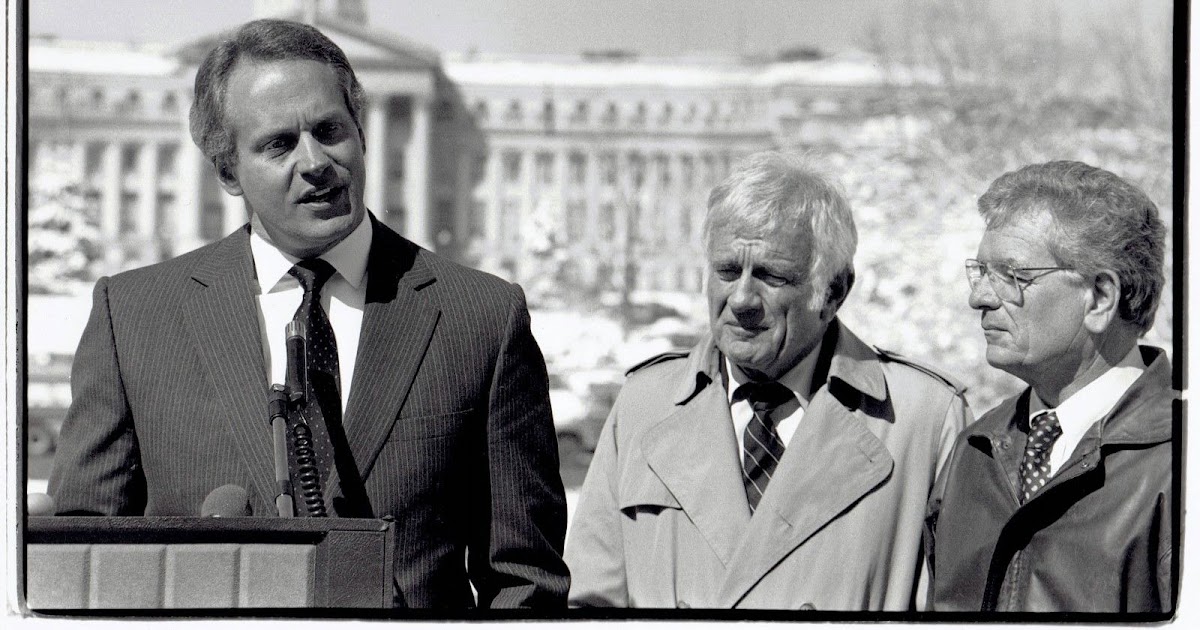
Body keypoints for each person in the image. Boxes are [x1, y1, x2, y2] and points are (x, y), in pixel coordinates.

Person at [47, 19, 568, 609]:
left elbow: (525, 580)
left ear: (362, 136)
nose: (316, 161)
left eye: (329, 130)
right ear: (227, 171)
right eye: (279, 144)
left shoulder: (481, 317)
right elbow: (82, 559)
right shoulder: (136, 315)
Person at [564, 151, 971, 610]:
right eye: (726, 271)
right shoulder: (645, 404)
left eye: (771, 276)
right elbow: (589, 609)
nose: (741, 299)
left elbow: (954, 618)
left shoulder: (922, 420)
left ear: (834, 291)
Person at [925, 161, 1175, 613]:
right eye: (980, 271)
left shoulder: (1177, 465)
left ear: (1099, 297)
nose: (978, 297)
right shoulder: (975, 451)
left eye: (1012, 276)